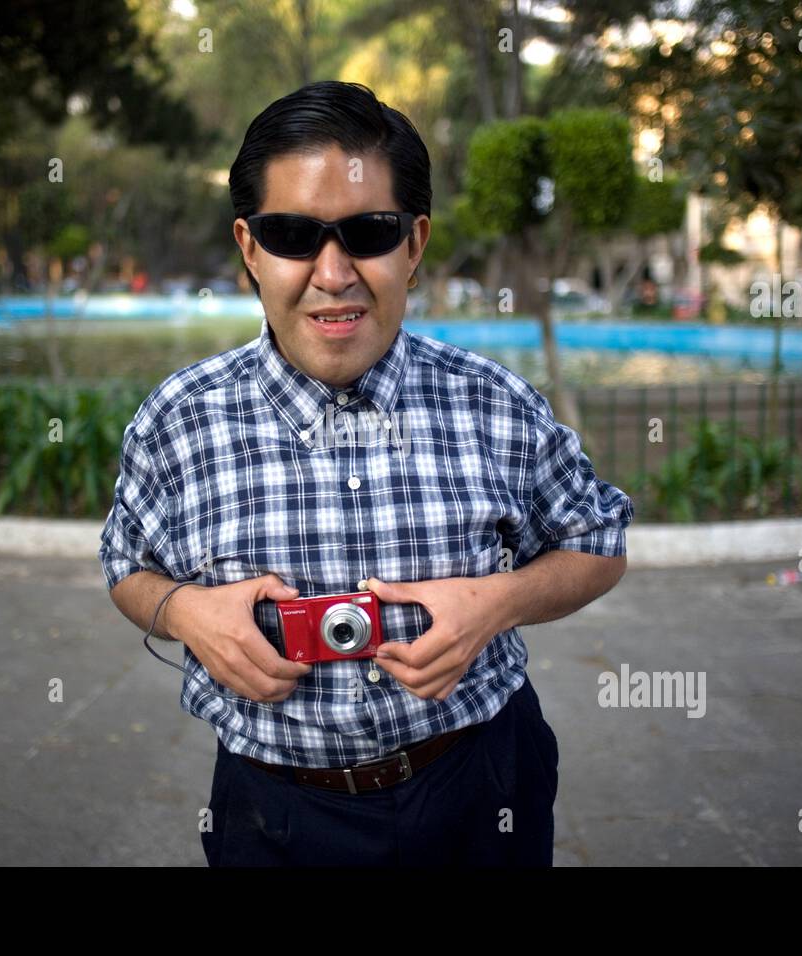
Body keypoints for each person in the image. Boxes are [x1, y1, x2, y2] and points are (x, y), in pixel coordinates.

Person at [99, 81, 634, 866]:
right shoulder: (180, 420)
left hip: (481, 787)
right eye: (292, 235)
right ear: (250, 248)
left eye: (369, 232)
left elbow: (601, 539)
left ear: (413, 245)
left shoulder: (496, 404)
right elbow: (124, 565)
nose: (333, 272)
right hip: (270, 812)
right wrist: (183, 614)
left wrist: (498, 603)